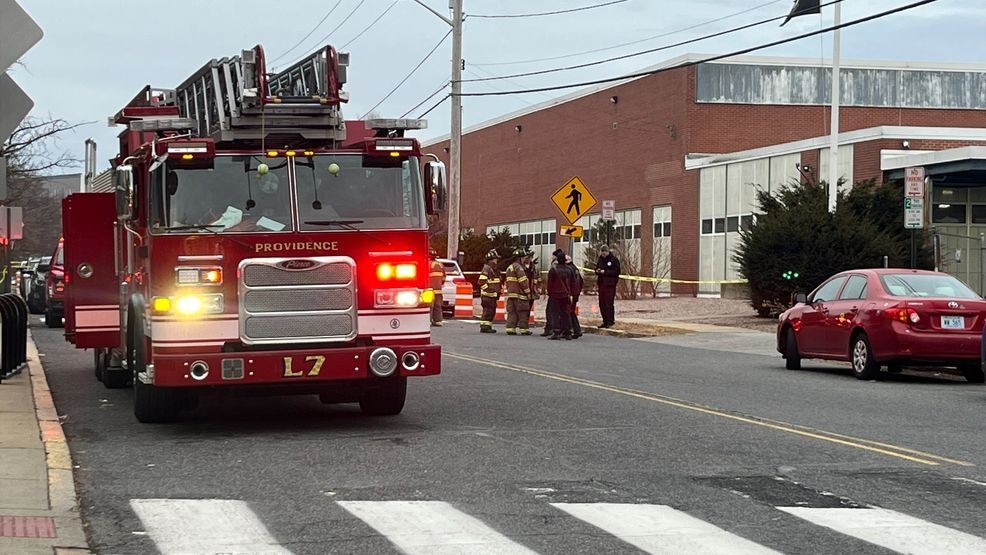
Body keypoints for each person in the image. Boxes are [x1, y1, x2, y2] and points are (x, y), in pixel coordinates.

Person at [546, 248, 576, 340]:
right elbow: (573, 282)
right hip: (566, 294)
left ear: (557, 259)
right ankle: (568, 332)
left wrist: (549, 293)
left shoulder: (553, 270)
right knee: (566, 313)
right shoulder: (569, 270)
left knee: (555, 313)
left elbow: (550, 284)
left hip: (555, 294)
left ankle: (557, 331)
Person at [504, 248, 533, 336]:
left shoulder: (510, 267)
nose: (525, 259)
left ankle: (510, 328)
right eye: (524, 257)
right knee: (523, 312)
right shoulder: (518, 267)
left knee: (512, 312)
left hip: (511, 295)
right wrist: (528, 292)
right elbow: (523, 281)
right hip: (520, 295)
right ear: (520, 258)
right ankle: (524, 330)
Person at [595, 245, 621, 328]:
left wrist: (605, 272)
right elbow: (597, 268)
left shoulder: (613, 260)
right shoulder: (600, 259)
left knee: (608, 303)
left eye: (605, 252)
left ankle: (610, 321)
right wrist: (597, 271)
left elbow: (616, 271)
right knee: (602, 303)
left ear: (608, 251)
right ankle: (605, 320)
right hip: (601, 284)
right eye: (602, 252)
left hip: (610, 285)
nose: (603, 253)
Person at [478, 249, 502, 333]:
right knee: (488, 311)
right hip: (488, 295)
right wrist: (488, 290)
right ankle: (485, 327)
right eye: (495, 259)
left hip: (492, 295)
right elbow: (481, 281)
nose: (497, 261)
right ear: (491, 260)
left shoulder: (493, 269)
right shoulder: (487, 268)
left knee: (491, 311)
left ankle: (487, 326)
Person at [567, 255, 584, 339]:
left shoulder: (569, 269)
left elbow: (570, 282)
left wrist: (570, 293)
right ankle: (576, 330)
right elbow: (581, 281)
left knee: (570, 312)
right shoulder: (575, 268)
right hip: (575, 294)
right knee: (571, 311)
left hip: (571, 294)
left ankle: (574, 330)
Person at [428, 248, 446, 327]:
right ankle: (438, 320)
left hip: (429, 289)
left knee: (429, 305)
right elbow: (444, 277)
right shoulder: (441, 265)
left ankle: (428, 321)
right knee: (438, 305)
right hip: (438, 289)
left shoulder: (427, 264)